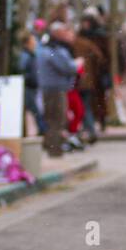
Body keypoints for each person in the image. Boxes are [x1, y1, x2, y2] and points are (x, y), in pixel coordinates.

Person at [37, 23, 78, 157]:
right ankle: (54, 150)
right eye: (63, 32)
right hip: (55, 89)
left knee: (52, 119)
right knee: (57, 120)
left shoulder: (46, 48)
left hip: (49, 88)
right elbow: (67, 67)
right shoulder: (54, 49)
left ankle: (51, 146)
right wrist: (76, 64)